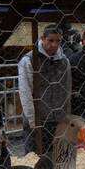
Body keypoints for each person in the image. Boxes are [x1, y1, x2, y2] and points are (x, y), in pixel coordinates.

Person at [17, 27, 72, 155]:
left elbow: (67, 91)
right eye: (50, 40)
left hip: (57, 120)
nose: (54, 44)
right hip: (38, 120)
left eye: (58, 41)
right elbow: (25, 92)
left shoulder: (64, 61)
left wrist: (66, 118)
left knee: (56, 157)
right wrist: (32, 121)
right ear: (42, 39)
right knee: (34, 158)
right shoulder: (29, 60)